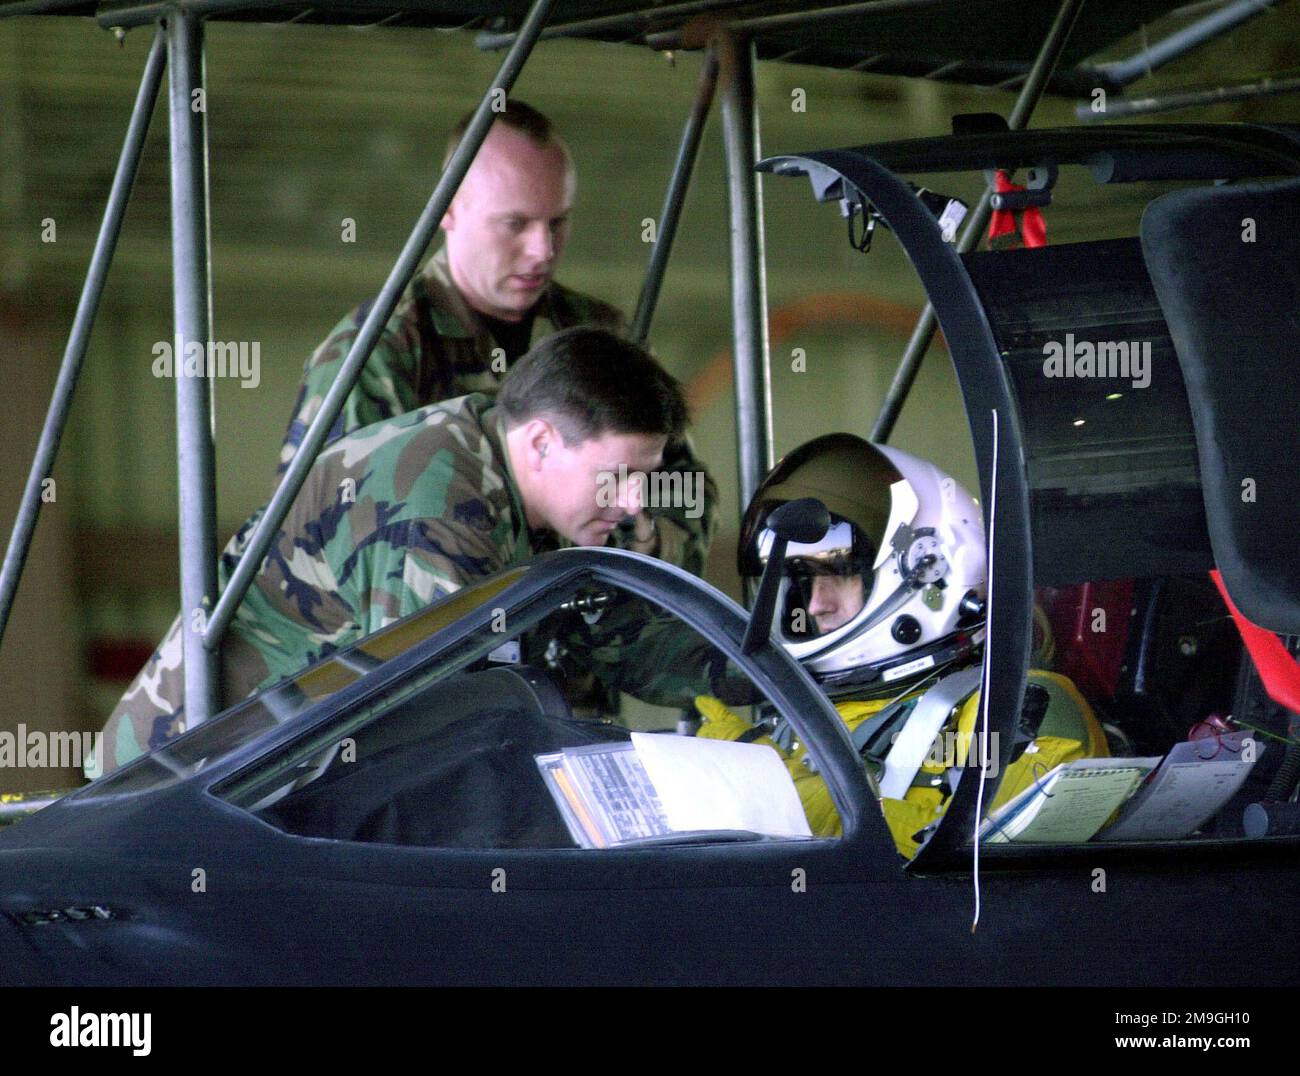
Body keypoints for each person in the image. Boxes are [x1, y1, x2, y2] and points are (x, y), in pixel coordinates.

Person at [96, 328, 694, 775]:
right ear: (541, 442)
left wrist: (762, 665)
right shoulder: (435, 495)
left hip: (267, 782)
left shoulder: (550, 491)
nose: (636, 502)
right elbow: (444, 724)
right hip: (174, 785)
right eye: (619, 474)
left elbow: (623, 640)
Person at [277, 98, 716, 573]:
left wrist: (633, 537)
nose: (542, 250)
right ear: (447, 210)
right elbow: (328, 538)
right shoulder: (376, 355)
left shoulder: (601, 337)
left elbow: (685, 490)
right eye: (515, 224)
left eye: (558, 222)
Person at [695, 433, 1109, 858]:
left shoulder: (1015, 705)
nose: (816, 605)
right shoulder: (793, 719)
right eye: (803, 581)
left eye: (839, 575)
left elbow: (989, 866)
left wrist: (781, 795)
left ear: (930, 570)